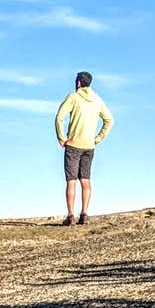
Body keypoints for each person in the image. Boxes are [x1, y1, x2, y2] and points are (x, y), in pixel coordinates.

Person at [54, 71, 113, 226]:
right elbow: (109, 120)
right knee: (86, 180)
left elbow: (59, 117)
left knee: (71, 181)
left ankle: (70, 215)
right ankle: (85, 213)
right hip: (89, 146)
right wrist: (98, 138)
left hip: (73, 144)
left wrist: (61, 137)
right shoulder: (97, 99)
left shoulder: (73, 97)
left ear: (79, 82)